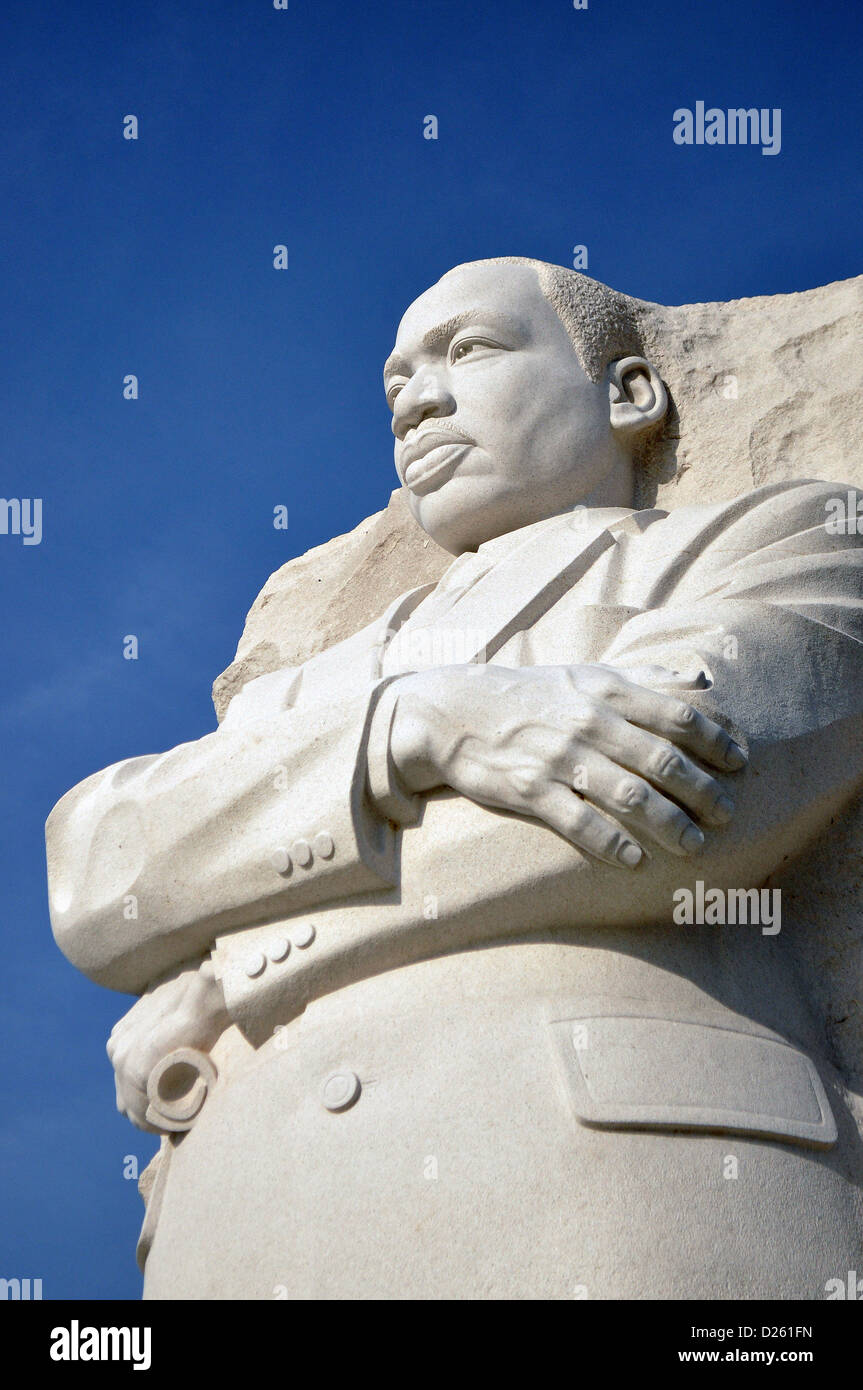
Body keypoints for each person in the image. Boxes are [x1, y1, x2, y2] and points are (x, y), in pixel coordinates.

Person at [46, 259, 863, 1298]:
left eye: (467, 351)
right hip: (240, 1229)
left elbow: (673, 796)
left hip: (614, 1190)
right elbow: (95, 868)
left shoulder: (775, 541)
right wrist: (409, 726)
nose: (417, 400)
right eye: (396, 386)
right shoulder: (301, 688)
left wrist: (233, 966)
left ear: (627, 393)